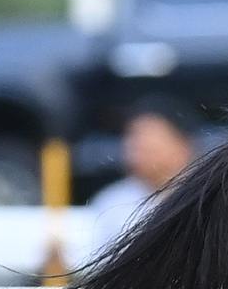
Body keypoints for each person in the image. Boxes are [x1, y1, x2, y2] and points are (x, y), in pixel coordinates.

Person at [84, 103, 197, 259]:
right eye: (134, 144)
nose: (138, 152)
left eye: (150, 145)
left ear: (183, 145)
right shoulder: (111, 201)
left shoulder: (205, 195)